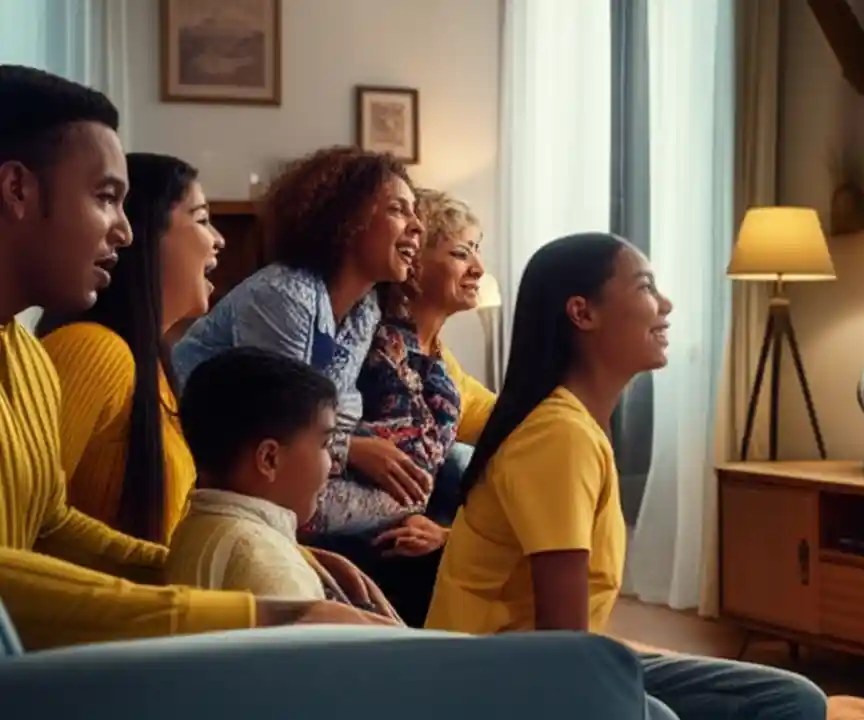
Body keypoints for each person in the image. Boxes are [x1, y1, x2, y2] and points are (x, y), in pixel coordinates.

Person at [0, 64, 391, 651]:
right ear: (17, 189)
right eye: (105, 198)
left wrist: (252, 559)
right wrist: (251, 613)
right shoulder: (91, 350)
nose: (123, 232)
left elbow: (51, 525)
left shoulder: (27, 357)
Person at [425, 233, 827, 720]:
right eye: (646, 287)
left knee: (792, 697)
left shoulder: (572, 425)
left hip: (538, 667)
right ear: (582, 313)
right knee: (772, 706)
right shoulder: (557, 436)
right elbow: (562, 647)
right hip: (498, 687)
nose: (666, 304)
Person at [171, 146, 427, 516]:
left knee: (423, 485)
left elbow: (339, 412)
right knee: (407, 503)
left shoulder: (365, 310)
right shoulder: (284, 294)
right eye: (398, 210)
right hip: (211, 464)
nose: (418, 227)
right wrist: (353, 449)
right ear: (347, 218)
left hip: (294, 459)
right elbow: (278, 432)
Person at [310, 188, 496, 625]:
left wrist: (448, 534)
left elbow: (501, 420)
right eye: (461, 253)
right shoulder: (366, 337)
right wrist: (352, 446)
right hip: (349, 532)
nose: (478, 268)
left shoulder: (440, 363)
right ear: (414, 262)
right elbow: (295, 419)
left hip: (411, 522)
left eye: (477, 251)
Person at [37, 153, 224, 544]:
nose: (219, 240)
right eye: (202, 219)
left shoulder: (154, 364)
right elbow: (33, 523)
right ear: (145, 235)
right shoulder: (92, 349)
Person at [167, 347, 399, 622]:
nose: (332, 464)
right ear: (269, 458)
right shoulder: (274, 570)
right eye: (325, 444)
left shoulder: (192, 529)